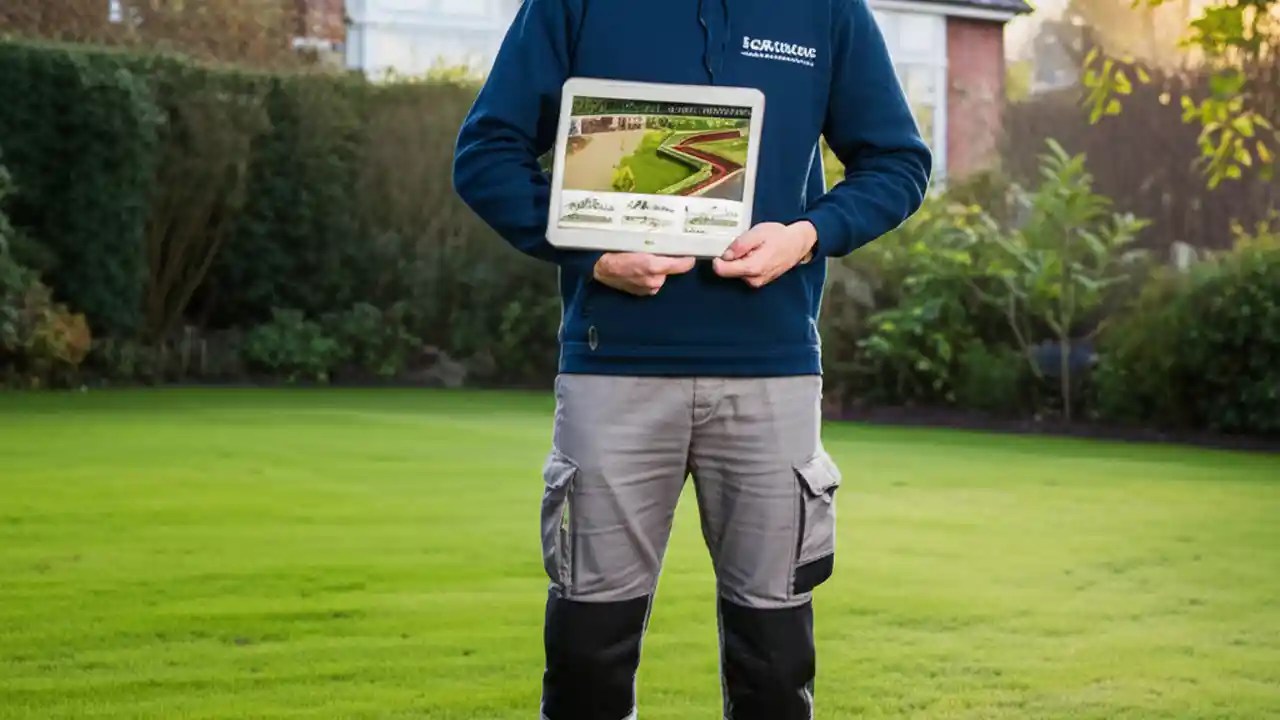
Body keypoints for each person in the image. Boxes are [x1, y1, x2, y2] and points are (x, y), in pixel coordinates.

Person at [453, 0, 931, 717]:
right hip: (613, 368)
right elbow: (487, 154)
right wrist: (592, 253)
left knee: (774, 668)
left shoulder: (826, 9)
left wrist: (806, 233)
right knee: (588, 660)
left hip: (772, 370)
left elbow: (897, 161)